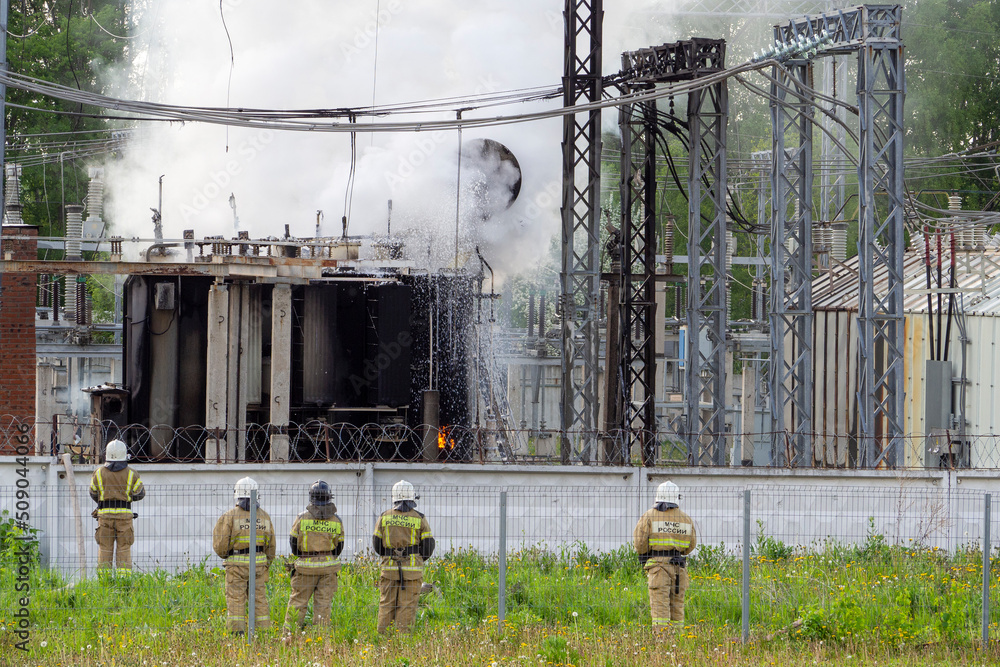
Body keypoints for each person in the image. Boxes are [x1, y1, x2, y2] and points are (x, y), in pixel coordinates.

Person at [213, 477, 276, 634]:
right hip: (259, 565)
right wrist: (265, 562)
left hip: (236, 565)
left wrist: (228, 555)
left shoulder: (230, 516)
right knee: (260, 600)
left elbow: (220, 545)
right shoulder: (264, 517)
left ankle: (237, 634)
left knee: (235, 601)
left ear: (237, 495)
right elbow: (271, 545)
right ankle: (263, 634)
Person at [633, 481, 697, 632]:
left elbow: (639, 543)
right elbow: (690, 546)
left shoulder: (649, 516)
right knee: (678, 608)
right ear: (676, 497)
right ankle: (678, 642)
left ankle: (662, 643)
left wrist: (646, 554)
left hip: (658, 568)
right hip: (679, 568)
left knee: (660, 609)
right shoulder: (685, 518)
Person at [372, 479, 434, 633]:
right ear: (412, 497)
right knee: (407, 606)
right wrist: (417, 559)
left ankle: (382, 638)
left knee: (386, 604)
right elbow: (428, 546)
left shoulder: (384, 516)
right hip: (412, 571)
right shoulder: (419, 518)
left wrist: (389, 555)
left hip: (389, 569)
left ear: (394, 497)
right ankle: (402, 641)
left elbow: (377, 545)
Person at [283, 480, 345, 633]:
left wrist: (305, 556)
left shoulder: (301, 518)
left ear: (311, 497)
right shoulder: (337, 520)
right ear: (329, 497)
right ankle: (320, 638)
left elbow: (293, 543)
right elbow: (339, 547)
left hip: (305, 568)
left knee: (297, 602)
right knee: (323, 605)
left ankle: (289, 637)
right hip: (328, 568)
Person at [88, 438, 144, 574]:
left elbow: (93, 492)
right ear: (125, 455)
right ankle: (123, 582)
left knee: (105, 548)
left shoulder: (99, 472)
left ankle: (104, 582)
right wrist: (126, 499)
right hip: (124, 516)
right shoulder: (132, 473)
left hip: (104, 516)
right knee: (124, 548)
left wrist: (103, 501)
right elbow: (140, 494)